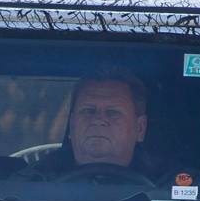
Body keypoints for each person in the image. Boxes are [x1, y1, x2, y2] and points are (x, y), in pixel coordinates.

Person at [15, 71, 158, 183]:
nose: (98, 120)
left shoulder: (164, 187)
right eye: (88, 111)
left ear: (140, 128)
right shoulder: (33, 183)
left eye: (112, 112)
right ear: (71, 125)